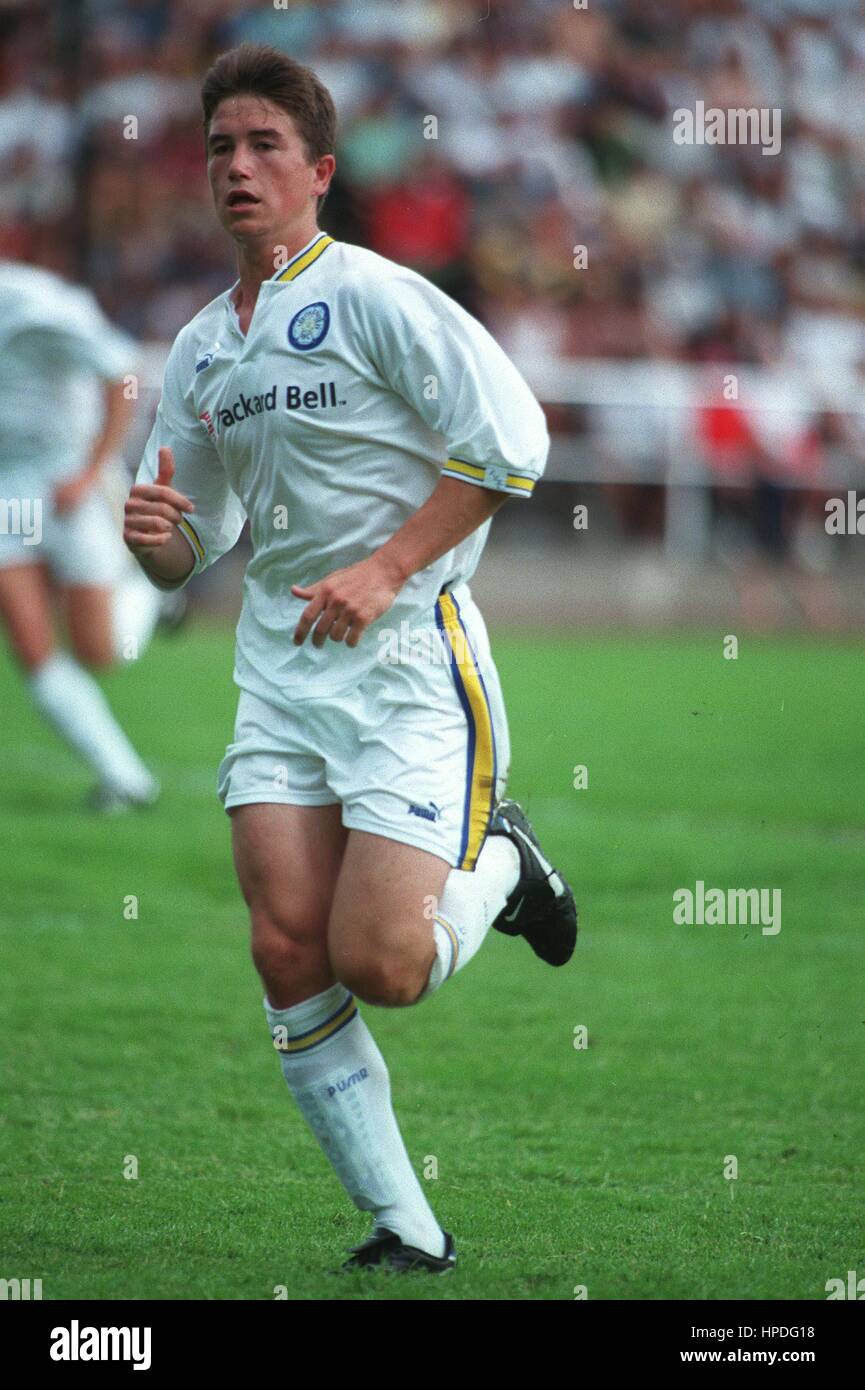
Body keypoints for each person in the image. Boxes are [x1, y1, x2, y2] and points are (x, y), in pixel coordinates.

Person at [125, 42, 577, 1273]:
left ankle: (507, 866)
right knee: (283, 946)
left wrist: (385, 569)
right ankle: (404, 1225)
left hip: (403, 667)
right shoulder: (199, 349)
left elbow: (512, 440)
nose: (237, 165)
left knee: (382, 963)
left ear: (319, 170)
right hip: (278, 672)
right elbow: (196, 538)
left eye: (266, 144)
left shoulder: (374, 293)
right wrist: (160, 541)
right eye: (220, 145)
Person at [0, 259, 161, 811]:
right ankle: (124, 778)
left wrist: (92, 469)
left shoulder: (33, 305)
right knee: (31, 646)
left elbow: (123, 371)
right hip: (9, 493)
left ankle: (150, 598)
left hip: (71, 483)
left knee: (98, 652)